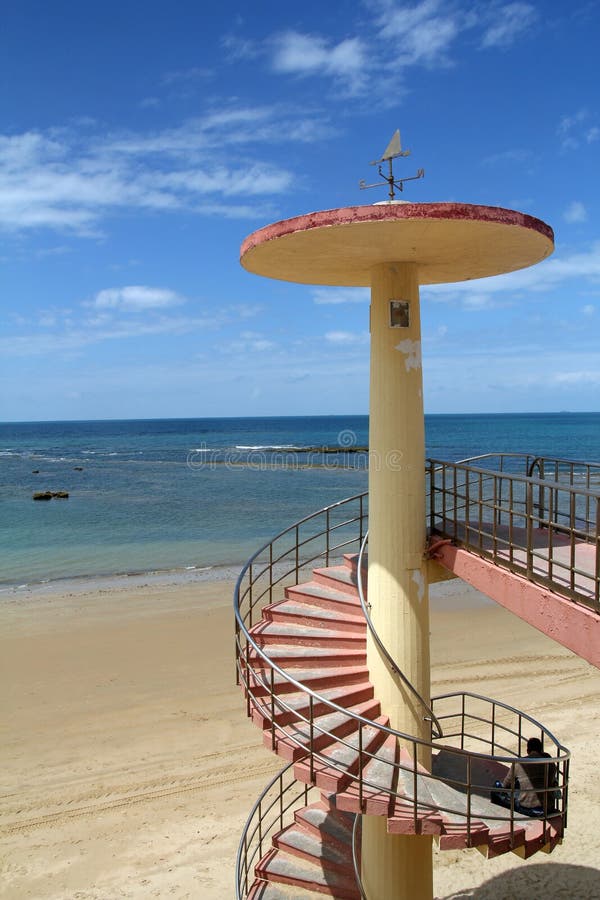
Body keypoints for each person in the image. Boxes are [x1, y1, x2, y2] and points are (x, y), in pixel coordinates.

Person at [491, 737, 557, 817]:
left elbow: (506, 785)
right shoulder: (550, 763)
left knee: (497, 787)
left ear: (528, 751)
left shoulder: (519, 763)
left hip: (528, 809)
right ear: (541, 750)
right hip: (548, 808)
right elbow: (552, 782)